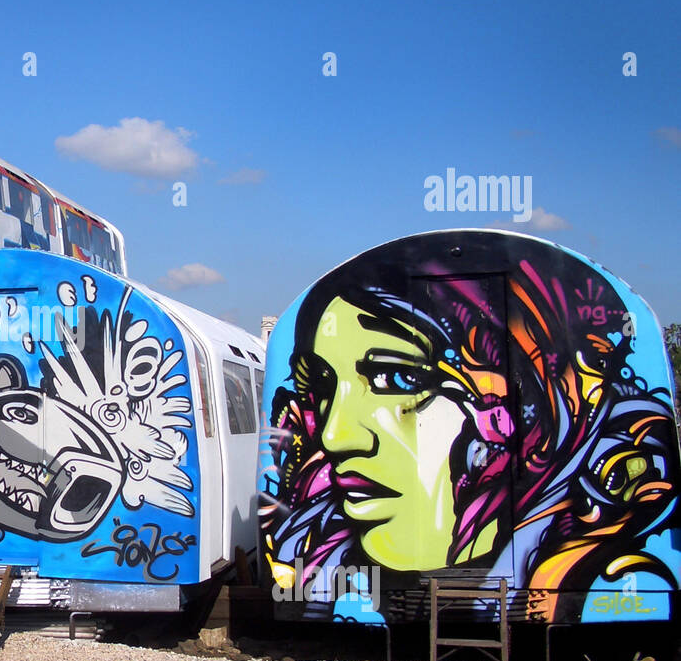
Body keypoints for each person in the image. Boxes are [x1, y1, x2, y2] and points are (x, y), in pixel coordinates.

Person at [262, 232, 680, 622]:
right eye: (320, 386)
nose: (335, 436)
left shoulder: (610, 576)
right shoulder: (315, 555)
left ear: (545, 410)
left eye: (398, 378)